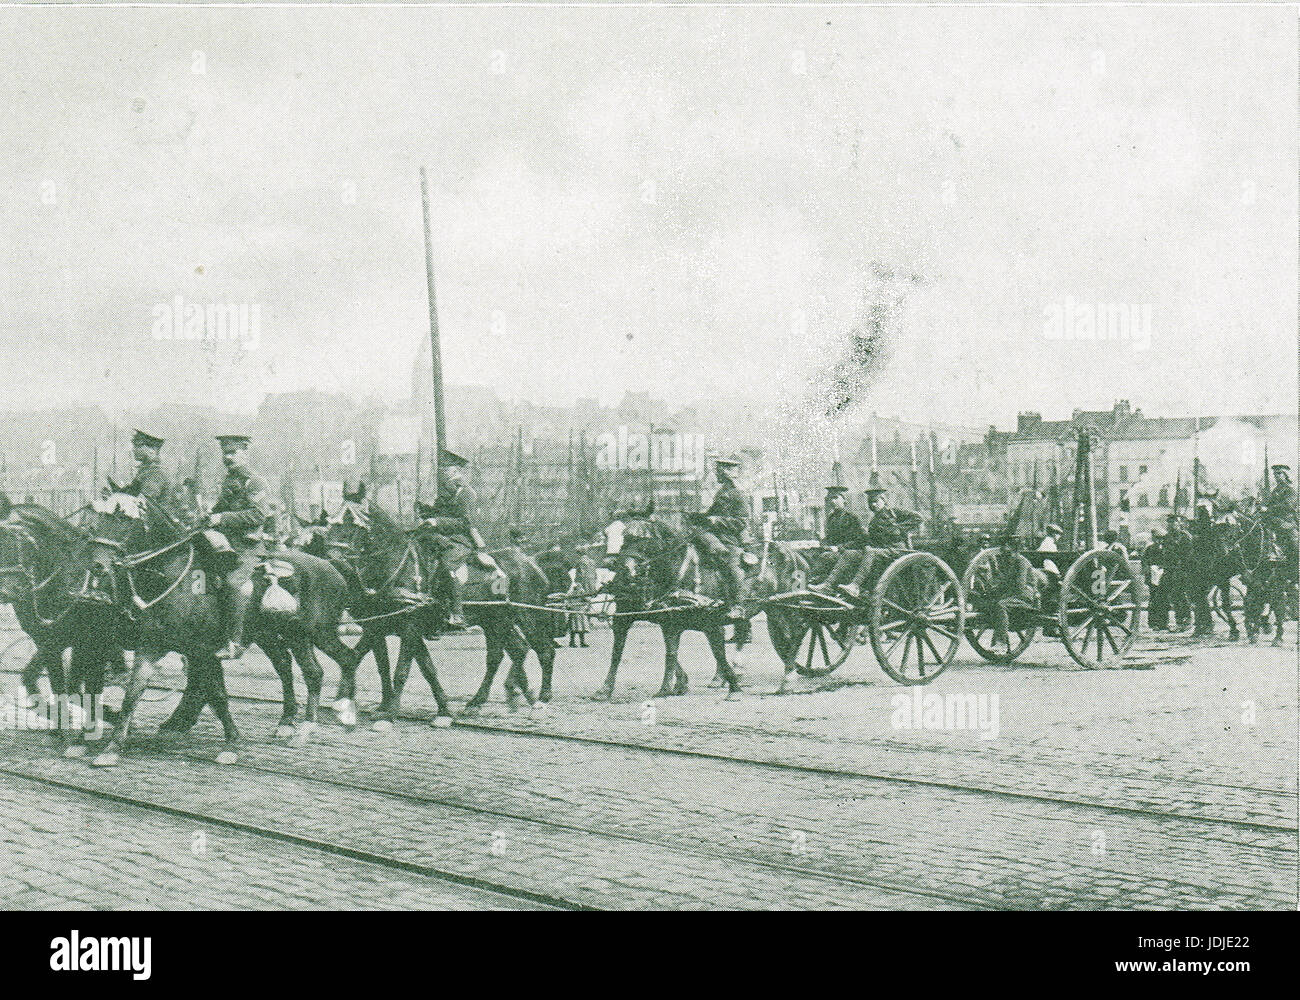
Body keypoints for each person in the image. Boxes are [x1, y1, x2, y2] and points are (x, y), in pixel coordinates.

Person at [207, 434, 275, 659]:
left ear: (245, 452)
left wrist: (222, 518)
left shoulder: (254, 482)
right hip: (225, 545)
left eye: (232, 452)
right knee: (198, 576)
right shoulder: (230, 481)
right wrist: (207, 516)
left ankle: (234, 642)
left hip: (248, 548)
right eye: (224, 453)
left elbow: (258, 514)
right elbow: (218, 509)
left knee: (233, 583)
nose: (227, 457)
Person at [414, 449, 481, 631]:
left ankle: (457, 613)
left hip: (461, 541)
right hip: (442, 538)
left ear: (455, 471)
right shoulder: (447, 494)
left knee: (447, 564)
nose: (443, 475)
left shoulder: (467, 494)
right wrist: (426, 512)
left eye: (446, 470)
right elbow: (439, 514)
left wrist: (437, 521)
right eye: (442, 470)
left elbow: (464, 522)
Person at [837, 487, 921, 599]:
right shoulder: (873, 521)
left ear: (883, 500)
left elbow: (918, 517)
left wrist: (899, 529)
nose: (873, 505)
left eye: (876, 501)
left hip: (897, 550)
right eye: (870, 502)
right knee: (850, 554)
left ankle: (855, 586)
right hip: (882, 551)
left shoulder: (894, 512)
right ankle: (828, 586)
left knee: (871, 552)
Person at [693, 456, 750, 620]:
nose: (716, 474)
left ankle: (739, 607)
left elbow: (742, 521)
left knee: (733, 567)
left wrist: (717, 520)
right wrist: (700, 517)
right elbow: (713, 514)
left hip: (730, 540)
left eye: (718, 471)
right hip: (715, 537)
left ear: (726, 472)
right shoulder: (722, 492)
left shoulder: (737, 493)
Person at [985, 532, 1040, 653]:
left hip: (1025, 597)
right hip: (1016, 595)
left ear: (1013, 548)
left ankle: (1002, 643)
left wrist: (1002, 589)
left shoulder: (1021, 562)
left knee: (1001, 605)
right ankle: (999, 645)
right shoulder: (1010, 562)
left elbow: (1019, 586)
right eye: (1003, 546)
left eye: (1007, 546)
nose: (1004, 549)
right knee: (995, 604)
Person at [811, 486, 867, 591]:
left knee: (827, 557)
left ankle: (827, 585)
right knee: (815, 555)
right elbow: (830, 539)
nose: (833, 501)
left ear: (844, 499)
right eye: (831, 498)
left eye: (836, 498)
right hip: (836, 552)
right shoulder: (831, 518)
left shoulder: (852, 517)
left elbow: (861, 540)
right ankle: (813, 581)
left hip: (852, 553)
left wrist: (839, 548)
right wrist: (823, 543)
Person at [120, 429, 182, 521]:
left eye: (138, 445)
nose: (133, 449)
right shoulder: (146, 470)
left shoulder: (155, 473)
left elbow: (143, 503)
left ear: (153, 449)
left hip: (158, 529)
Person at [1263, 464, 1298, 580]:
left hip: (1286, 522)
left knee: (1294, 547)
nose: (1276, 476)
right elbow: (1269, 504)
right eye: (1275, 474)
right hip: (1274, 521)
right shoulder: (1276, 490)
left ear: (1285, 475)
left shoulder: (1290, 490)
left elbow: (1288, 505)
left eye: (1279, 473)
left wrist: (1269, 509)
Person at [1161, 513, 1195, 632]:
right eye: (1169, 523)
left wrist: (1183, 566)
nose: (1171, 525)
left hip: (1183, 570)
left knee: (1180, 594)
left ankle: (1186, 620)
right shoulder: (1167, 537)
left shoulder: (1185, 536)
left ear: (1179, 524)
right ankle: (1179, 620)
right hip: (1170, 570)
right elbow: (1165, 553)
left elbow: (1189, 553)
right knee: (1173, 596)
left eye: (1173, 523)